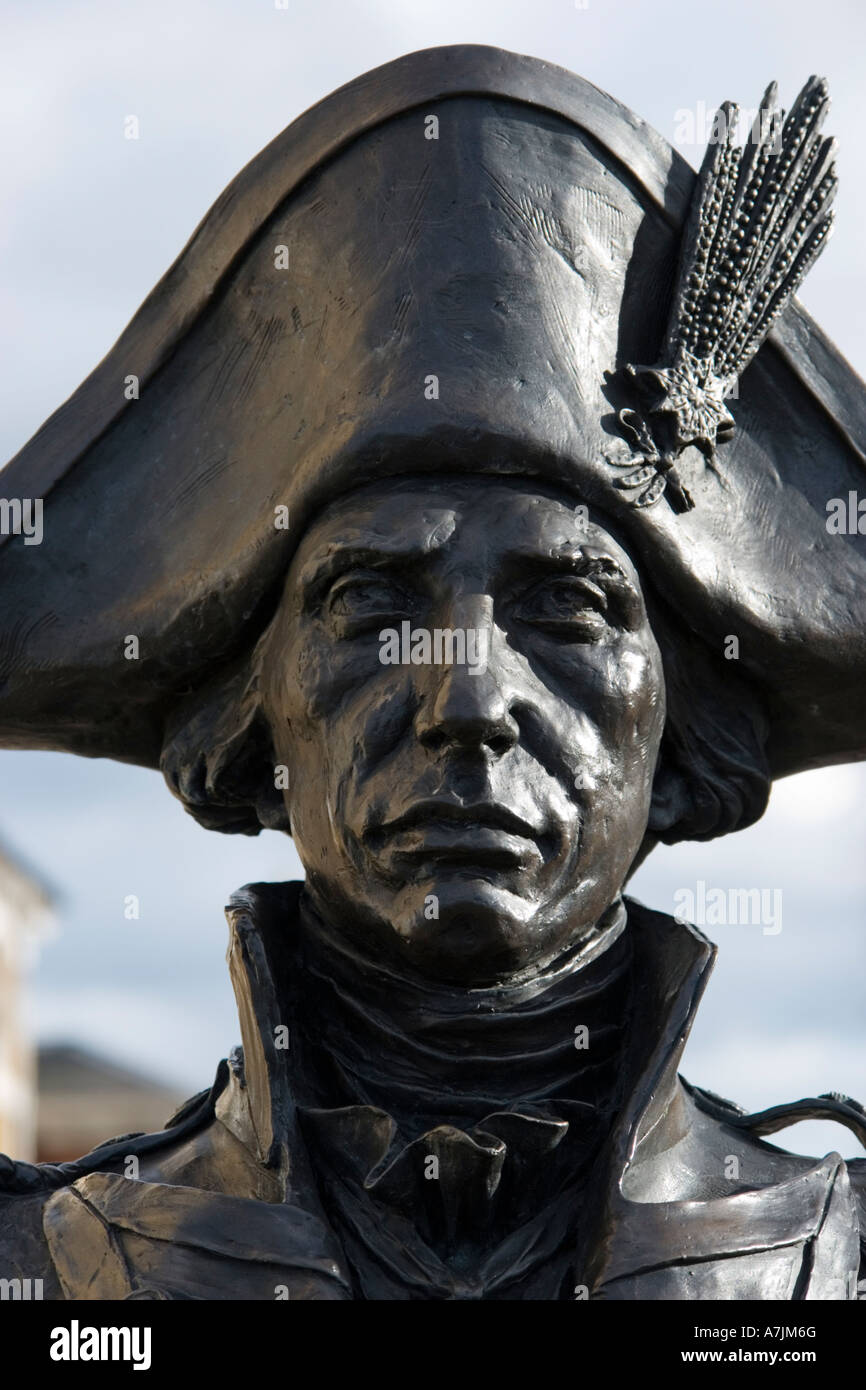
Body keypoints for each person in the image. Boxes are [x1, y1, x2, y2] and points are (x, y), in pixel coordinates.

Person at [0, 46, 864, 1300]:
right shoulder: (47, 1277)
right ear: (248, 733)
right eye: (367, 603)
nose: (464, 701)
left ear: (684, 751)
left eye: (566, 610)